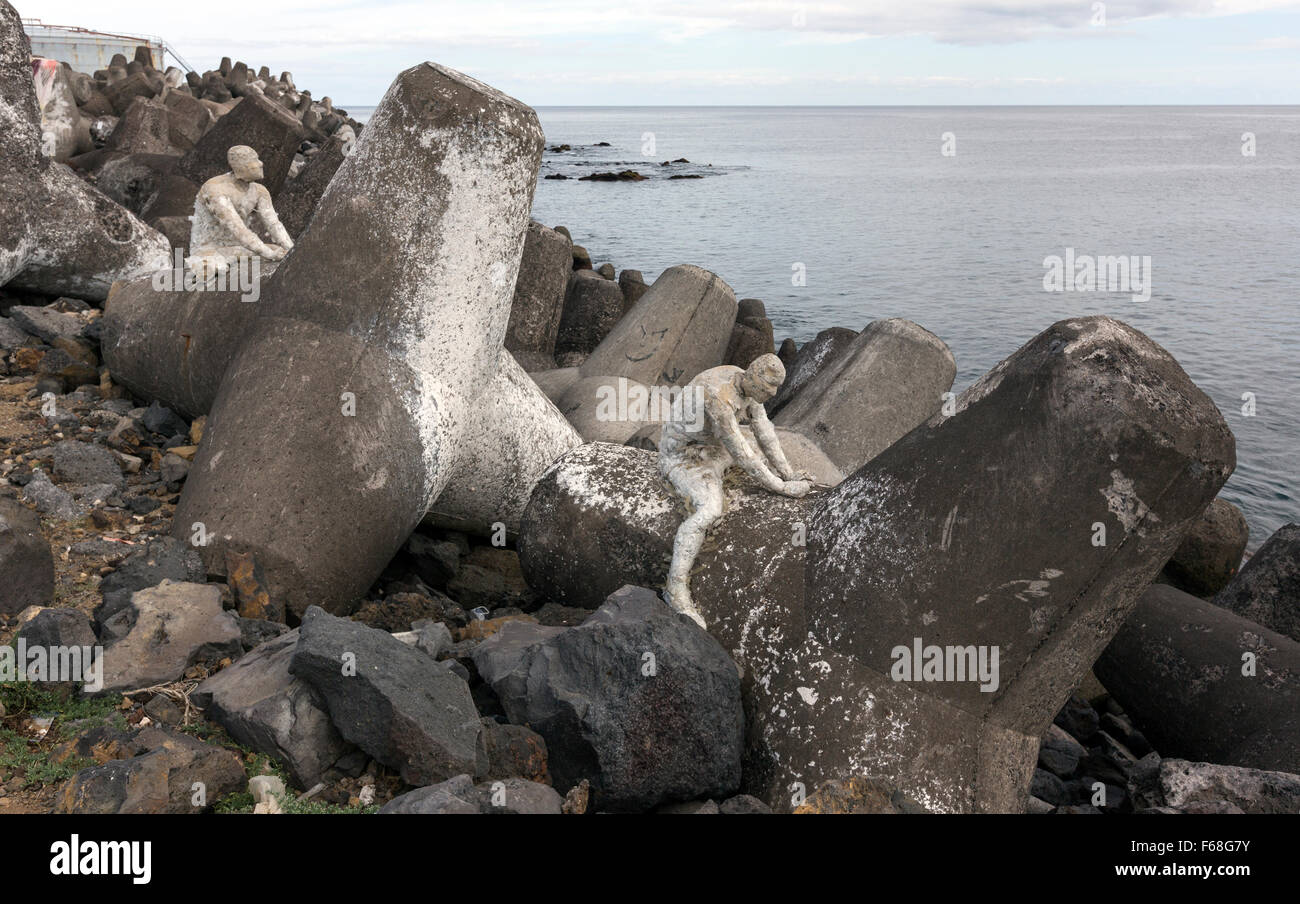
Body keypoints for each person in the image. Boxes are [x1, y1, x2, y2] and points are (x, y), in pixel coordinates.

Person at [659, 353, 812, 627]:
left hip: (714, 447)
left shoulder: (746, 385)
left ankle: (676, 587)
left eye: (774, 390)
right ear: (752, 378)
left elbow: (764, 431)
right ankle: (675, 588)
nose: (770, 395)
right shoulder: (718, 395)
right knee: (709, 509)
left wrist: (787, 472)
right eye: (766, 389)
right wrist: (781, 487)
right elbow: (740, 452)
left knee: (757, 456)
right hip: (685, 454)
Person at [186, 145, 293, 279]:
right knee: (217, 267)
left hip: (239, 248)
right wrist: (269, 254)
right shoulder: (215, 189)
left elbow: (274, 224)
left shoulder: (259, 190)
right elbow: (237, 228)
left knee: (280, 250)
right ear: (241, 165)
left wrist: (292, 249)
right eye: (255, 160)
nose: (261, 163)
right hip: (210, 248)